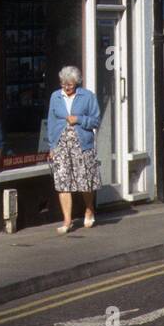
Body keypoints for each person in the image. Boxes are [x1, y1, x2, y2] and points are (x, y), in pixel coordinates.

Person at [46, 66, 102, 234]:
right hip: (61, 145)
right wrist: (52, 146)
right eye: (63, 84)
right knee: (63, 183)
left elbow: (96, 121)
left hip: (82, 145)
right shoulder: (55, 97)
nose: (66, 87)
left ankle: (89, 208)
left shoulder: (87, 96)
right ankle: (67, 221)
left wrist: (78, 119)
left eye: (69, 84)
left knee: (85, 183)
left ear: (76, 83)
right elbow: (51, 122)